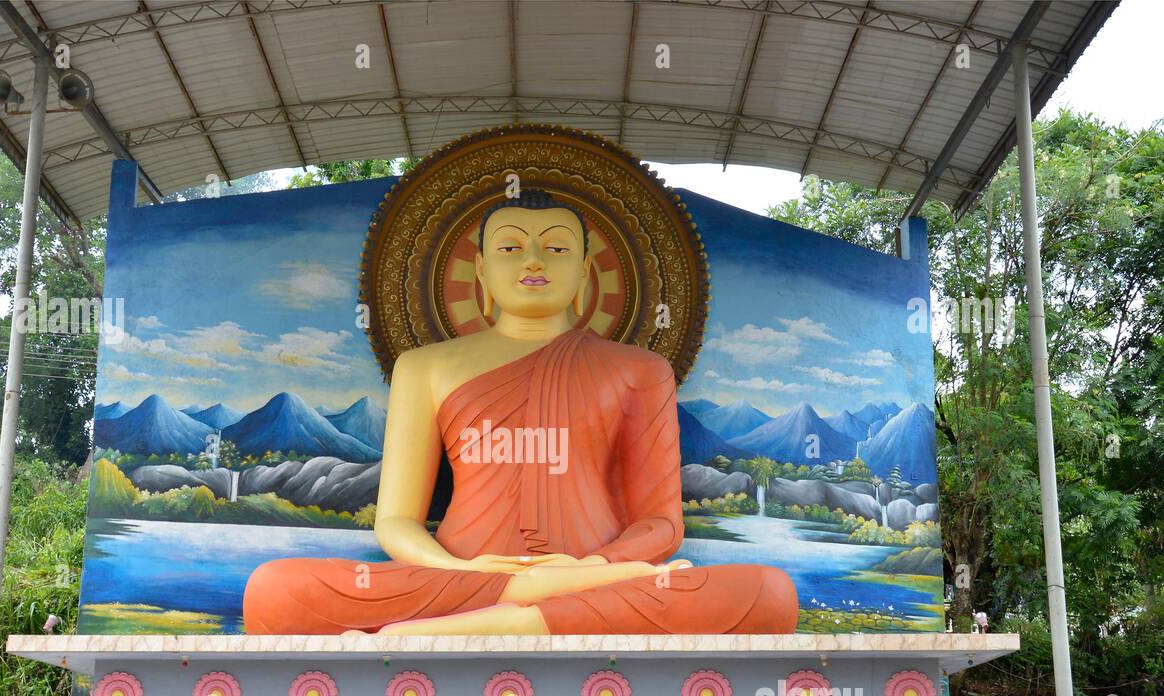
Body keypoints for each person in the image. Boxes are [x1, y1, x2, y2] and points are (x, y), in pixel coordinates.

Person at [242, 190, 798, 635]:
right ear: (480, 270)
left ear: (585, 272)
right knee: (273, 588)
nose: (533, 260)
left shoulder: (640, 369)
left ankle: (514, 615)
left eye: (557, 249)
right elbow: (396, 521)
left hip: (592, 580)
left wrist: (587, 571)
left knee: (769, 593)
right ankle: (533, 606)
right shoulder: (424, 367)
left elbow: (660, 524)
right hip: (461, 579)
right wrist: (458, 571)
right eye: (511, 249)